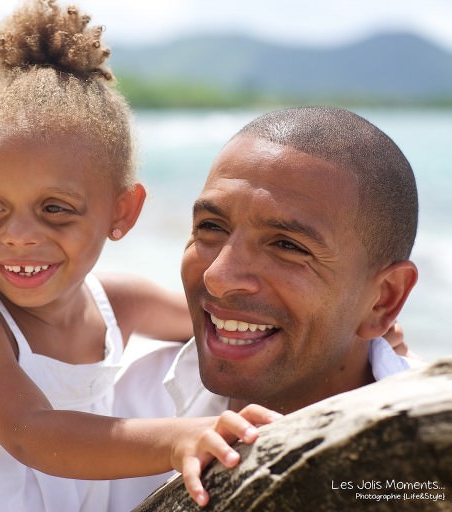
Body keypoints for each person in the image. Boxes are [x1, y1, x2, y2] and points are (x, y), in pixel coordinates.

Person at [0, 2, 278, 511]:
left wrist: (358, 333)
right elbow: (32, 434)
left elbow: (232, 324)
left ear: (122, 212)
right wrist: (180, 438)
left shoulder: (119, 304)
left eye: (55, 209)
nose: (17, 235)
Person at [111, 106, 421, 511]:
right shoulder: (127, 406)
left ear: (384, 299)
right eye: (210, 227)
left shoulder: (425, 458)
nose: (218, 277)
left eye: (287, 246)